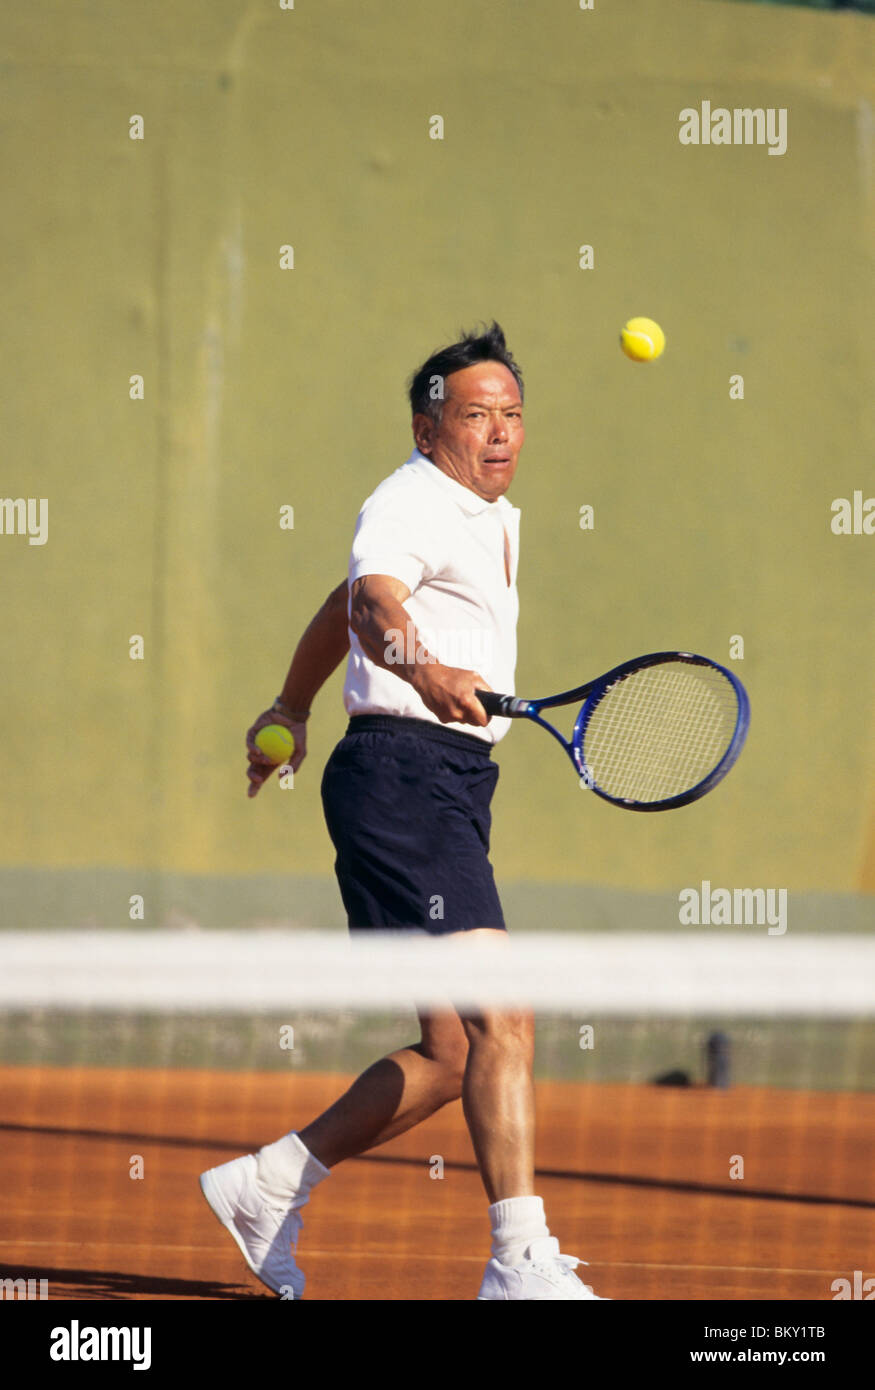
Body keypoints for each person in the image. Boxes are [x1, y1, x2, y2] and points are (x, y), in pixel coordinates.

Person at [199, 322, 605, 1301]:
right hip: (400, 773)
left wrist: (290, 707)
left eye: (512, 416)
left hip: (449, 783)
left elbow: (339, 602)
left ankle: (267, 1185)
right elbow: (376, 608)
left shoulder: (486, 515)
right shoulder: (407, 498)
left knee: (451, 1049)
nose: (500, 434)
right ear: (429, 430)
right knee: (505, 1012)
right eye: (476, 417)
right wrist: (421, 667)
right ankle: (516, 1262)